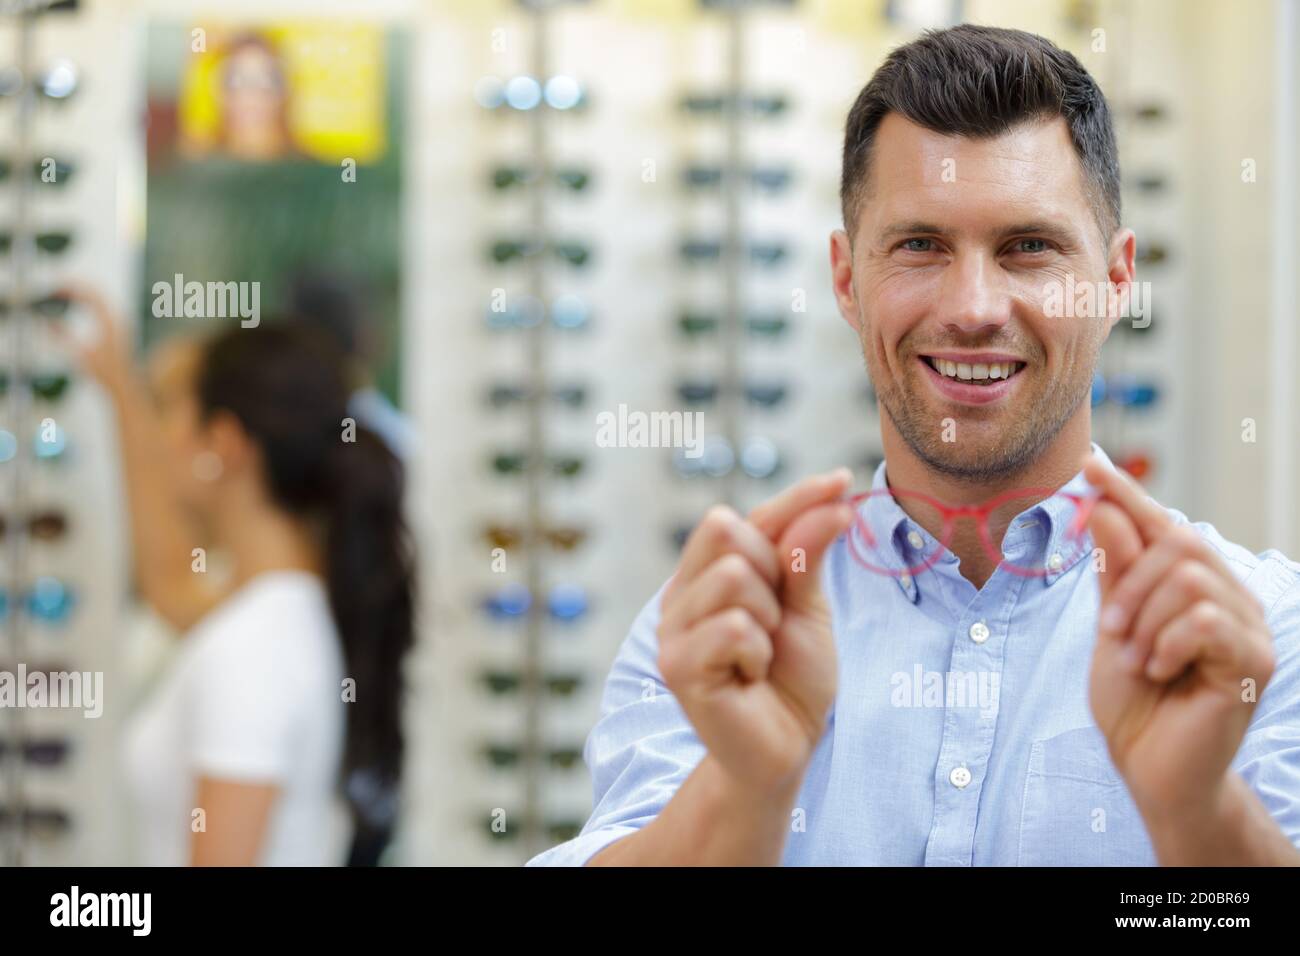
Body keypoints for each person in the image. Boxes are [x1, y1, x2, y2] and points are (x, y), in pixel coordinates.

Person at [528, 25, 1300, 866]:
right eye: (921, 246)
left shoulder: (1266, 635)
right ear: (846, 280)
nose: (973, 306)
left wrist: (1197, 813)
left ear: (1116, 282)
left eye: (1028, 248)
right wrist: (741, 792)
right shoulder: (727, 630)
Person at [60, 288, 415, 866]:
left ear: (223, 443)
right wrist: (118, 390)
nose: (162, 437)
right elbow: (171, 581)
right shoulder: (283, 610)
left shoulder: (253, 646)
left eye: (169, 408)